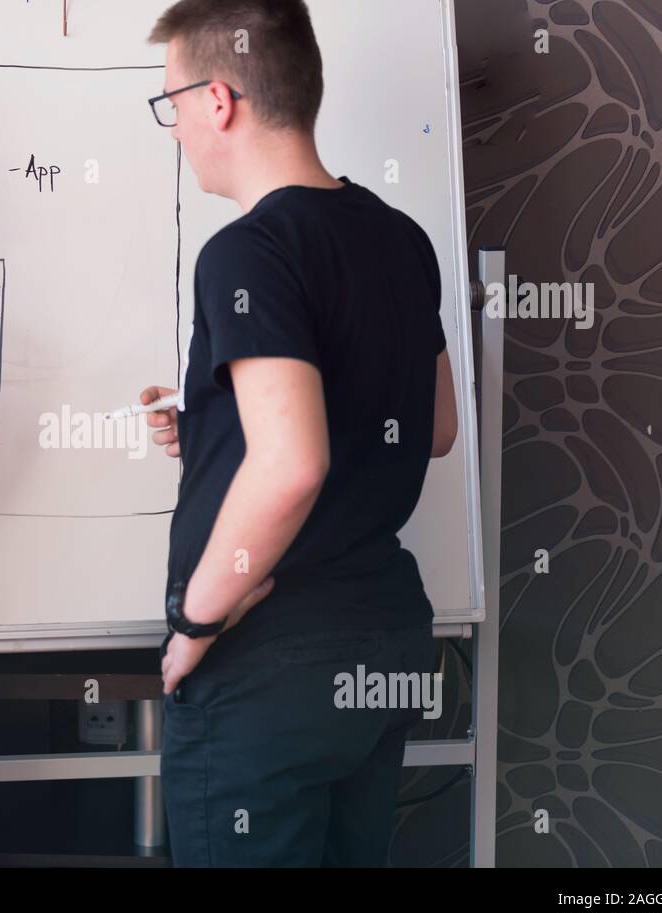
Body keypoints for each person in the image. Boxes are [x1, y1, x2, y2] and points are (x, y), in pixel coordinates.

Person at [140, 0, 460, 866]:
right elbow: (431, 428)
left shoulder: (246, 251)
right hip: (380, 643)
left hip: (270, 665)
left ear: (220, 100)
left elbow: (291, 465)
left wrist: (194, 620)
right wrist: (214, 425)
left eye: (169, 102)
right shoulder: (404, 240)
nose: (172, 126)